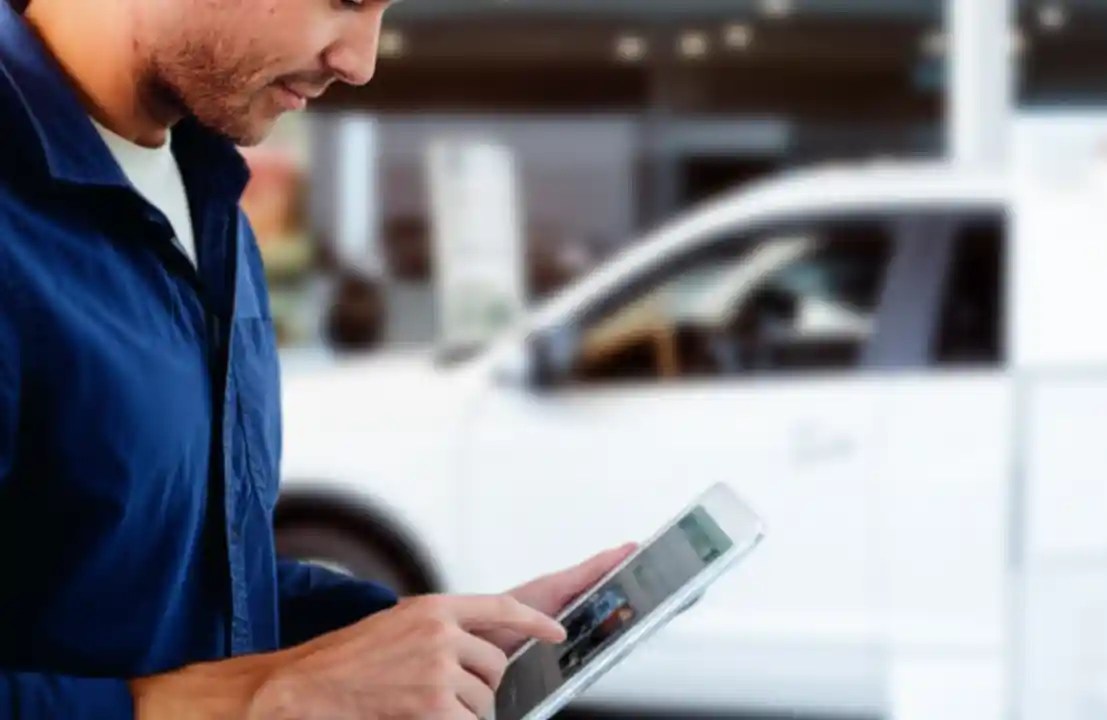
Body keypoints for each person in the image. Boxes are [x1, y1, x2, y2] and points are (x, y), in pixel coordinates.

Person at [0, 0, 634, 717]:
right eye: (344, 0)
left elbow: (169, 575)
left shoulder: (207, 196)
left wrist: (424, 641)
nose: (360, 64)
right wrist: (254, 698)